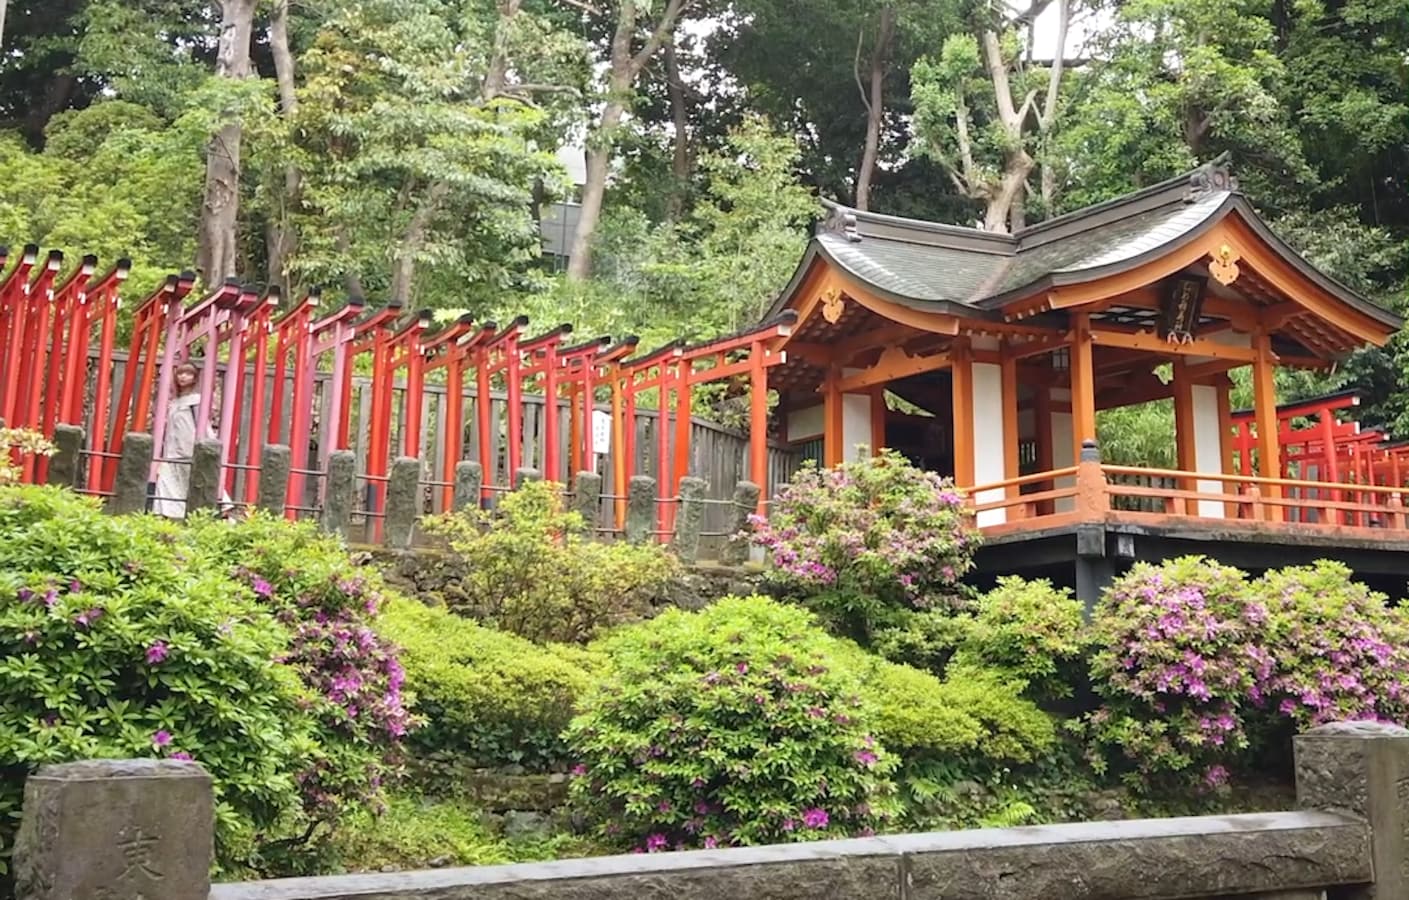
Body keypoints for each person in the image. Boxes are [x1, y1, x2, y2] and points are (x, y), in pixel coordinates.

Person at [152, 361, 206, 519]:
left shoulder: (196, 400)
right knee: (166, 477)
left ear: (195, 378)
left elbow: (202, 424)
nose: (183, 377)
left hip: (189, 448)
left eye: (188, 374)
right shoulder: (174, 402)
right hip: (172, 449)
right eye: (181, 373)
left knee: (195, 479)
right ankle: (164, 512)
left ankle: (222, 507)